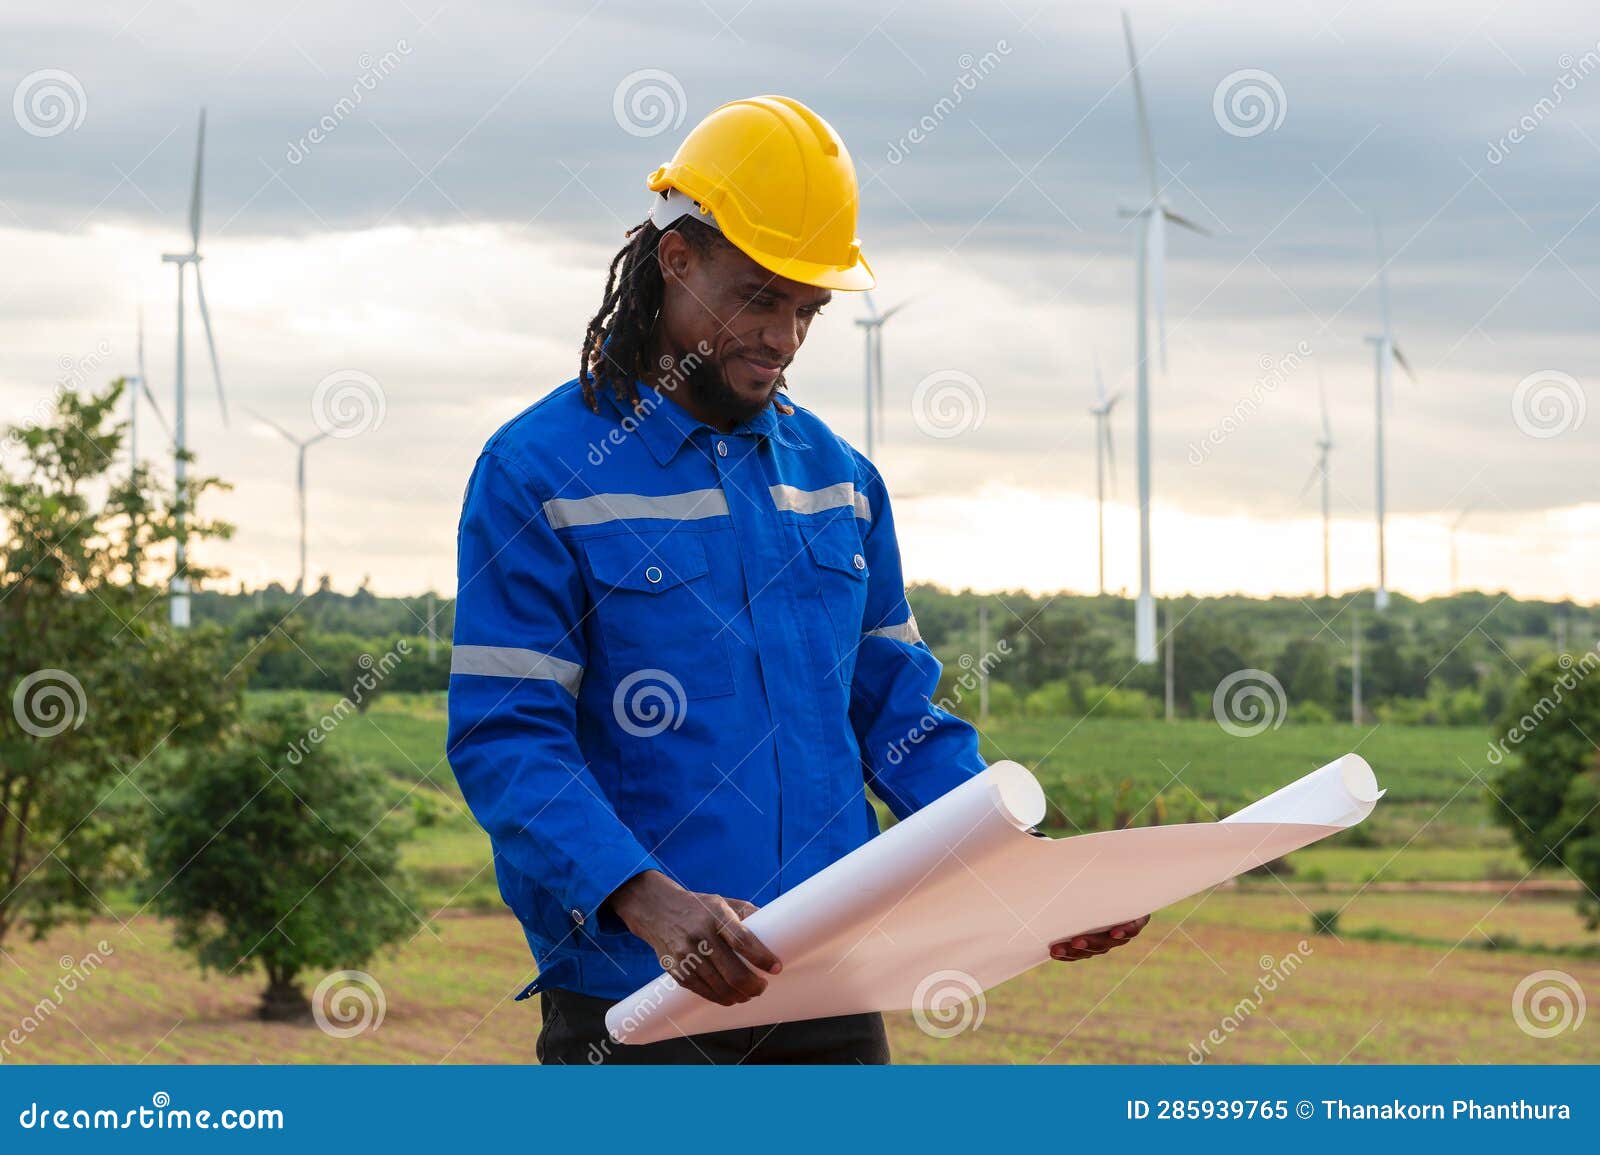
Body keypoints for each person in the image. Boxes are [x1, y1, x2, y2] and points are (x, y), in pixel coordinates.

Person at [446, 94, 1148, 1065]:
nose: (781, 336)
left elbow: (899, 721)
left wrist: (1024, 881)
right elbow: (505, 737)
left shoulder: (838, 482)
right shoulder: (537, 472)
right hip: (641, 1001)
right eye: (757, 296)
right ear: (675, 258)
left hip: (828, 985)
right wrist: (651, 903)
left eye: (806, 309)